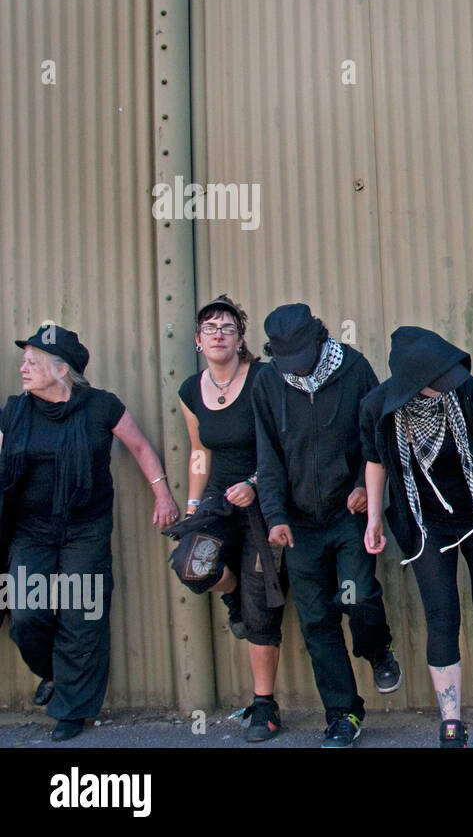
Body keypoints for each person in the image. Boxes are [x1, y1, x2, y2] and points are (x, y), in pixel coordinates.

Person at [360, 326, 473, 747]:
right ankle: (451, 723)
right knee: (442, 618)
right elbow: (375, 463)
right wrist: (372, 518)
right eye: (436, 379)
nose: (446, 384)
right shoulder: (377, 407)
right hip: (425, 527)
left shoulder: (465, 392)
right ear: (410, 381)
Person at [0, 325, 180, 741]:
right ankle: (55, 674)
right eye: (24, 360)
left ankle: (71, 710)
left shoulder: (100, 407)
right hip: (31, 530)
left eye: (32, 361)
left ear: (61, 370)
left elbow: (138, 447)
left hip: (85, 527)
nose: (23, 368)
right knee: (27, 615)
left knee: (82, 616)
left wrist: (163, 495)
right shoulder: (14, 411)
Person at [251, 303, 401, 748]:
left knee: (359, 597)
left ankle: (377, 650)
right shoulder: (266, 382)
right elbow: (268, 457)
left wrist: (363, 487)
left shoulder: (354, 369)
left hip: (347, 514)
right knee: (317, 620)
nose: (296, 371)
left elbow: (379, 435)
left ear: (321, 340)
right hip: (298, 525)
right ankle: (343, 715)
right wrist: (275, 516)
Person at [170, 295, 287, 742]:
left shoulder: (263, 377)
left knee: (262, 610)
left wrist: (256, 483)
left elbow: (281, 443)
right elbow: (200, 453)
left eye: (227, 327)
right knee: (191, 563)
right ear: (199, 341)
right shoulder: (189, 390)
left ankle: (264, 706)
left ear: (241, 339)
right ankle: (232, 593)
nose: (218, 334)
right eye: (209, 328)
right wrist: (194, 508)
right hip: (219, 497)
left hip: (266, 496)